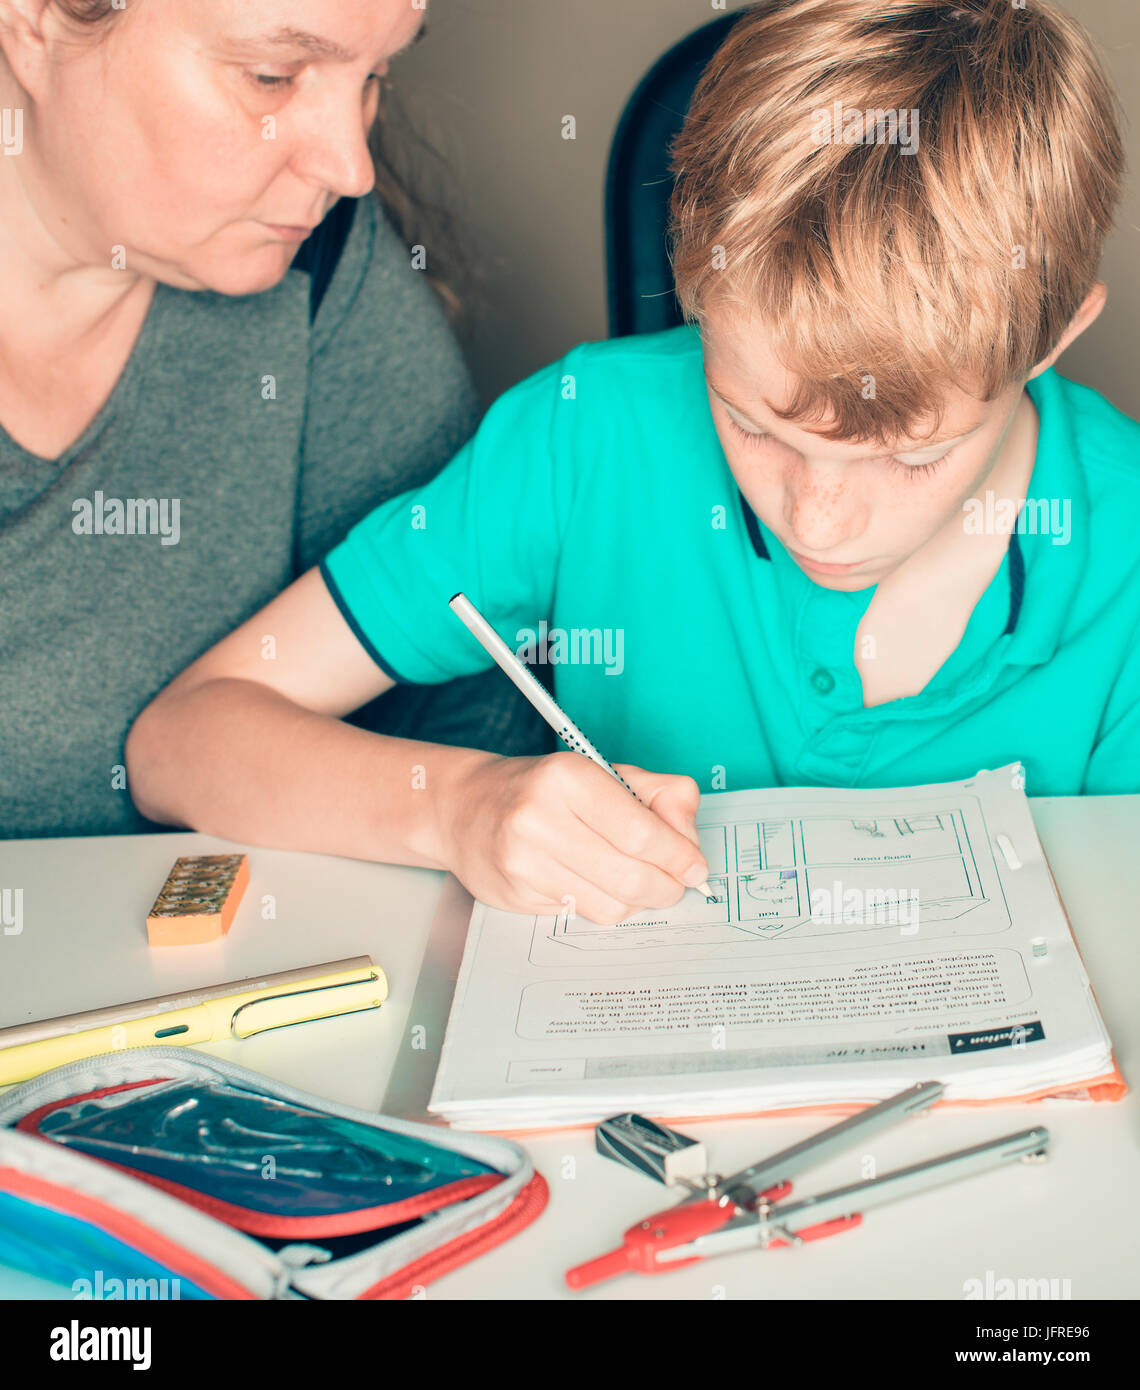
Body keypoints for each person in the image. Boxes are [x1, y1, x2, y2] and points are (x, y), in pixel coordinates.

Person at [127, 0, 1140, 927]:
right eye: (753, 425)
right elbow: (179, 743)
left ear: (1050, 338)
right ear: (696, 288)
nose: (819, 520)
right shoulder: (590, 436)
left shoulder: (1122, 543)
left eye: (913, 457)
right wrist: (463, 809)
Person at [0, 0, 543, 840]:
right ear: (31, 21)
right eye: (271, 76)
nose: (351, 165)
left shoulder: (321, 274)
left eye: (372, 79)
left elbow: (460, 699)